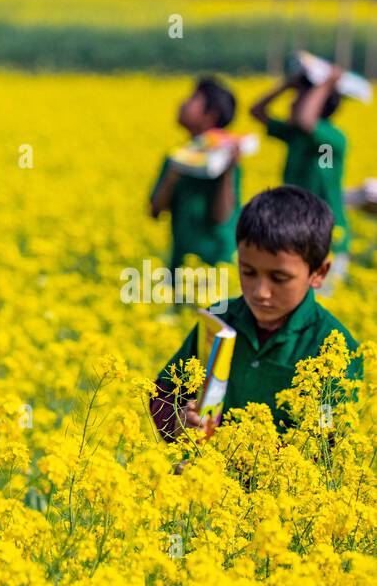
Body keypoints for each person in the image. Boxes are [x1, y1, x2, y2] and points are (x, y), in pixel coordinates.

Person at [150, 186, 361, 440]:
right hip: (200, 476)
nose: (261, 292)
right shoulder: (218, 317)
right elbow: (165, 392)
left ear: (319, 273)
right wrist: (177, 422)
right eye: (248, 272)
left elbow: (329, 442)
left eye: (279, 278)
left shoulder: (334, 348)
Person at [250, 59, 350, 289]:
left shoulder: (331, 137)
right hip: (296, 237)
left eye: (299, 97)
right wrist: (288, 84)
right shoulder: (296, 135)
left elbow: (306, 120)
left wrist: (325, 84)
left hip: (327, 239)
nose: (292, 103)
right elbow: (257, 111)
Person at [150, 76, 242, 276]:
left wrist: (227, 171)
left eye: (193, 99)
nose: (182, 103)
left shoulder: (223, 158)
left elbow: (221, 217)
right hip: (180, 263)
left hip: (217, 265)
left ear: (211, 115)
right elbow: (155, 211)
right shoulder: (176, 156)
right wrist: (174, 173)